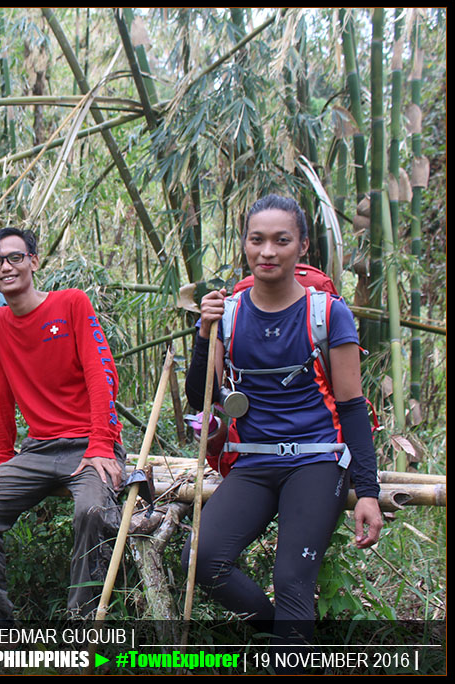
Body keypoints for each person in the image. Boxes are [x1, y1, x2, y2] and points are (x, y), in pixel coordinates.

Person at [182, 194, 383, 641]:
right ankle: (288, 641)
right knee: (201, 559)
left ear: (303, 246)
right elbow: (202, 397)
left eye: (281, 240)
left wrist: (367, 492)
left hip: (317, 460)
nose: (267, 251)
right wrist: (202, 334)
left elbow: (352, 407)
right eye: (257, 240)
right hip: (252, 461)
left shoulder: (328, 314)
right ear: (244, 244)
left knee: (292, 579)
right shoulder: (228, 314)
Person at [0, 228, 126, 623]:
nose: (7, 267)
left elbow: (102, 375)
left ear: (33, 261)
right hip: (38, 450)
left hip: (88, 445)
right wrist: (3, 456)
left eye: (16, 257)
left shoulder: (71, 302)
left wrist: (102, 444)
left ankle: (81, 623)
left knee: (91, 511)